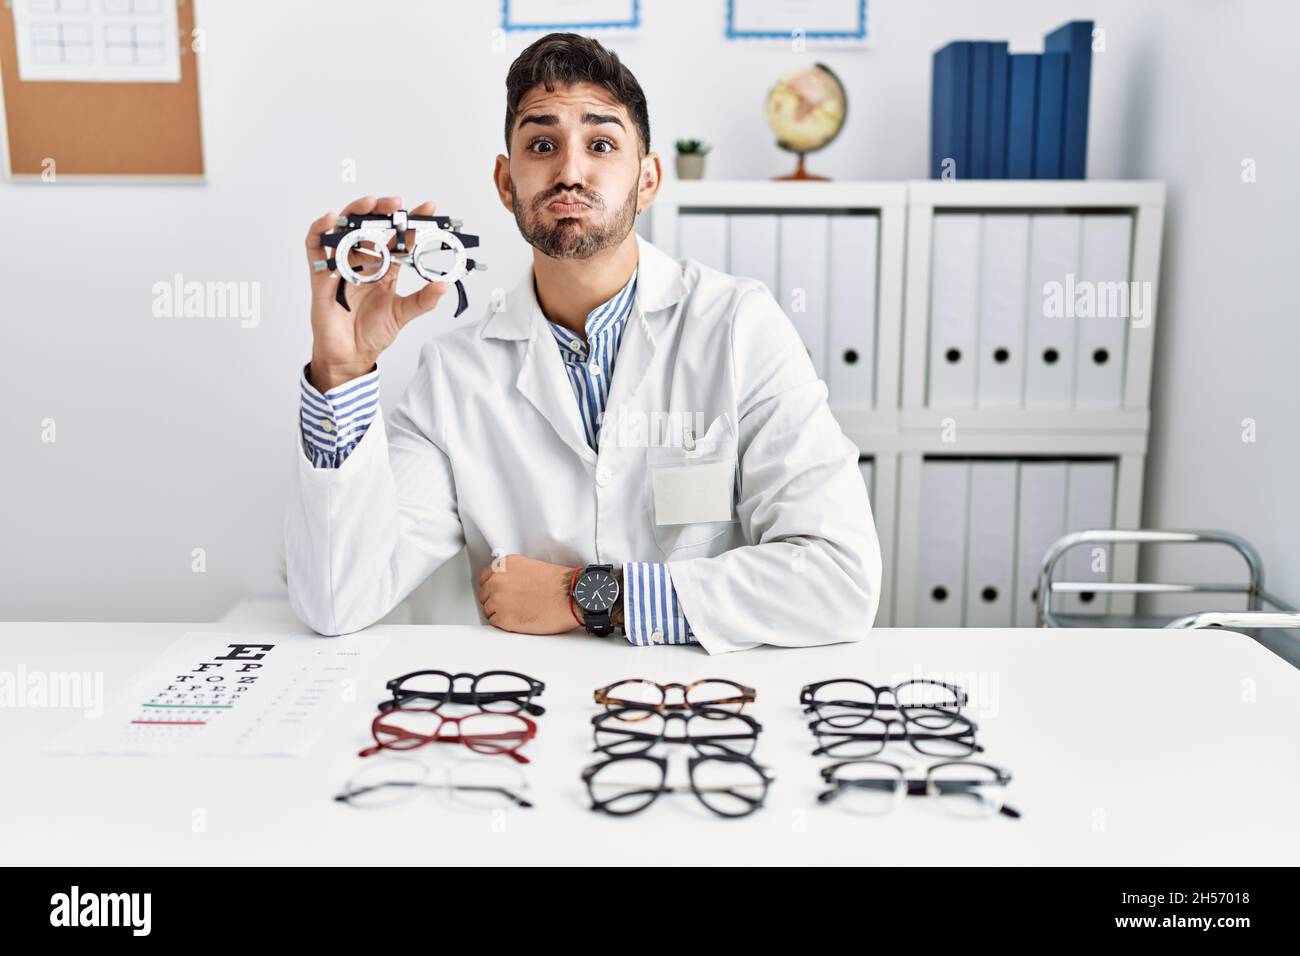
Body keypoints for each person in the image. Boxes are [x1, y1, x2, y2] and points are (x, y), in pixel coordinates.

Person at [286, 32, 882, 653]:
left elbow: (839, 579)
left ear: (647, 179)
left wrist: (591, 595)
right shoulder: (455, 375)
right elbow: (337, 599)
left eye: (601, 144)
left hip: (698, 708)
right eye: (541, 145)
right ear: (505, 181)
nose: (570, 171)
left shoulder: (738, 328)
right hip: (527, 716)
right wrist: (342, 370)